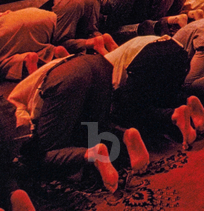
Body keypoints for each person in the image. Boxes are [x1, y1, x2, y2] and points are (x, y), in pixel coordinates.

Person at [9, 53, 147, 192]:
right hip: (97, 63)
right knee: (93, 127)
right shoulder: (34, 77)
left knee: (43, 150)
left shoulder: (12, 100)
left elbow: (24, 127)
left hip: (66, 78)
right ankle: (125, 135)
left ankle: (94, 154)